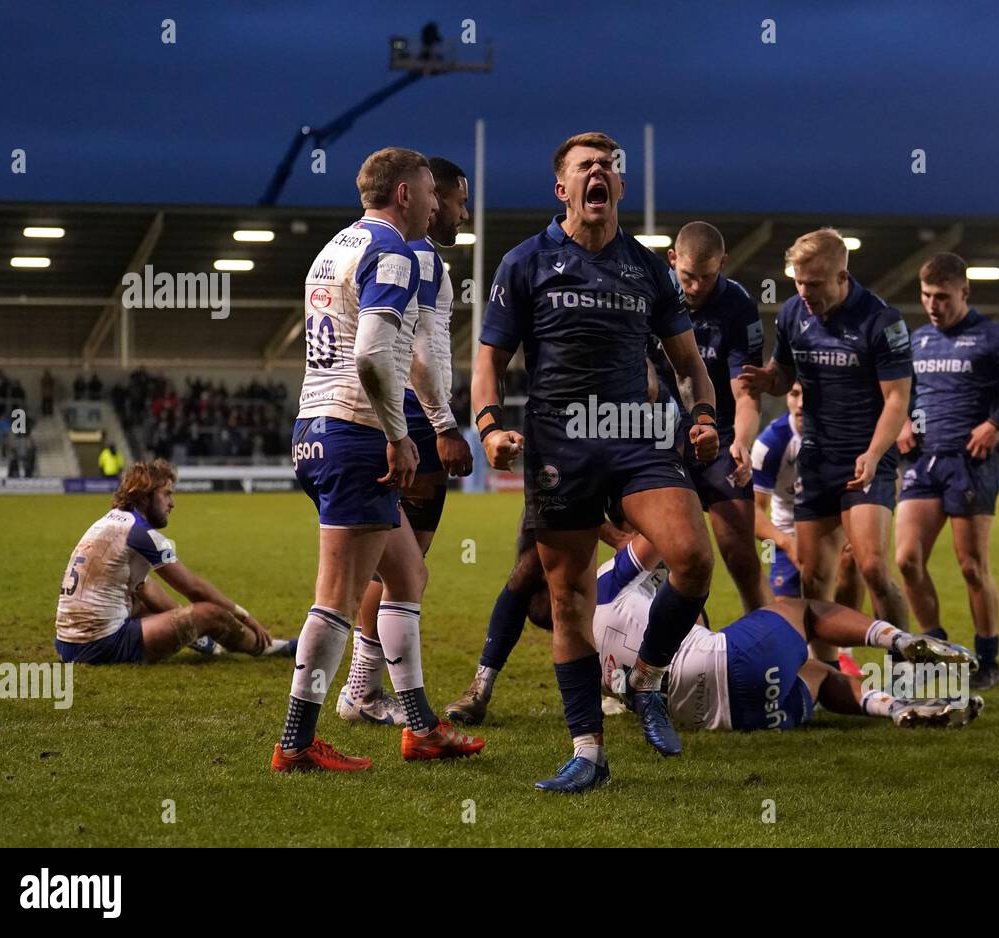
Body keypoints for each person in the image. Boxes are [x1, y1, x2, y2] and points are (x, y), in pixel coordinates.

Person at [473, 130, 719, 792]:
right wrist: (489, 425)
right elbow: (489, 360)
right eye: (585, 166)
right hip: (559, 445)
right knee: (567, 595)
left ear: (618, 187)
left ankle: (644, 681)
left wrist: (703, 418)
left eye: (607, 166)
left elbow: (691, 365)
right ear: (563, 189)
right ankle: (589, 751)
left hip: (637, 436)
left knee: (693, 557)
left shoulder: (646, 267)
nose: (598, 173)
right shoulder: (525, 262)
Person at [272, 147, 483, 774]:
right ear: (403, 194)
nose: (438, 202)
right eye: (429, 191)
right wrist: (398, 434)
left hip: (316, 427)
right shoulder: (392, 250)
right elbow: (371, 355)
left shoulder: (335, 247)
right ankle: (296, 740)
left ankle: (420, 728)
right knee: (336, 595)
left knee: (407, 576)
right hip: (355, 432)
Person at [336, 155, 476, 725]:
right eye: (457, 200)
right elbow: (417, 353)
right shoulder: (415, 256)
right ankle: (363, 691)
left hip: (411, 418)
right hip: (416, 423)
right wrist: (442, 425)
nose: (460, 213)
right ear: (429, 196)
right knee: (400, 569)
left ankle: (364, 690)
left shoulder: (417, 255)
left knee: (397, 567)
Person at [589, 533, 983, 733]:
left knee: (818, 672)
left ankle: (893, 706)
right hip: (730, 661)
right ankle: (896, 640)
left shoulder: (580, 651)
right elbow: (661, 529)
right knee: (802, 610)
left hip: (724, 718)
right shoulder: (608, 579)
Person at [740, 229, 914, 636]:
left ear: (842, 276)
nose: (804, 291)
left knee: (871, 566)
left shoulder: (881, 321)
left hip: (864, 458)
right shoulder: (791, 315)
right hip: (817, 459)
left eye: (814, 283)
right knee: (814, 578)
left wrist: (873, 455)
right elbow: (784, 377)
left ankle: (904, 668)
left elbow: (896, 400)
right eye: (798, 281)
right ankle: (831, 676)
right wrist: (768, 379)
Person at [893, 253, 999, 689]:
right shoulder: (916, 340)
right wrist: (901, 422)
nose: (933, 305)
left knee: (972, 566)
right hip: (923, 462)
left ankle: (987, 659)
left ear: (964, 293)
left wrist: (995, 425)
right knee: (906, 560)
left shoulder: (993, 337)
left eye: (942, 297)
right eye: (926, 296)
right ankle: (937, 650)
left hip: (970, 464)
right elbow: (900, 391)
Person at [54, 459, 292, 664]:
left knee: (141, 594)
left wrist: (183, 621)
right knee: (210, 613)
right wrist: (247, 617)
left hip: (68, 644)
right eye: (166, 494)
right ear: (145, 496)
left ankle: (199, 640)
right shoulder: (141, 533)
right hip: (100, 645)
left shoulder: (109, 522)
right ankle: (267, 646)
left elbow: (145, 587)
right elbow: (194, 588)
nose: (172, 503)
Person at [660, 221, 769, 613]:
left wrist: (743, 441)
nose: (695, 287)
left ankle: (765, 644)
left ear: (723, 263)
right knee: (669, 556)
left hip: (719, 436)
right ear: (672, 259)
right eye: (688, 276)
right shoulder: (653, 295)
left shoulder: (738, 305)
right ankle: (680, 646)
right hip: (661, 439)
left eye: (707, 277)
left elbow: (746, 391)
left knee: (741, 555)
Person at [751, 380, 864, 676]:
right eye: (794, 394)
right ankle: (805, 656)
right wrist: (787, 543)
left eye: (807, 394)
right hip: (787, 528)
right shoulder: (771, 442)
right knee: (789, 618)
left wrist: (855, 531)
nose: (800, 403)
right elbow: (753, 512)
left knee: (853, 561)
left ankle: (843, 653)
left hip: (834, 519)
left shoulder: (842, 434)